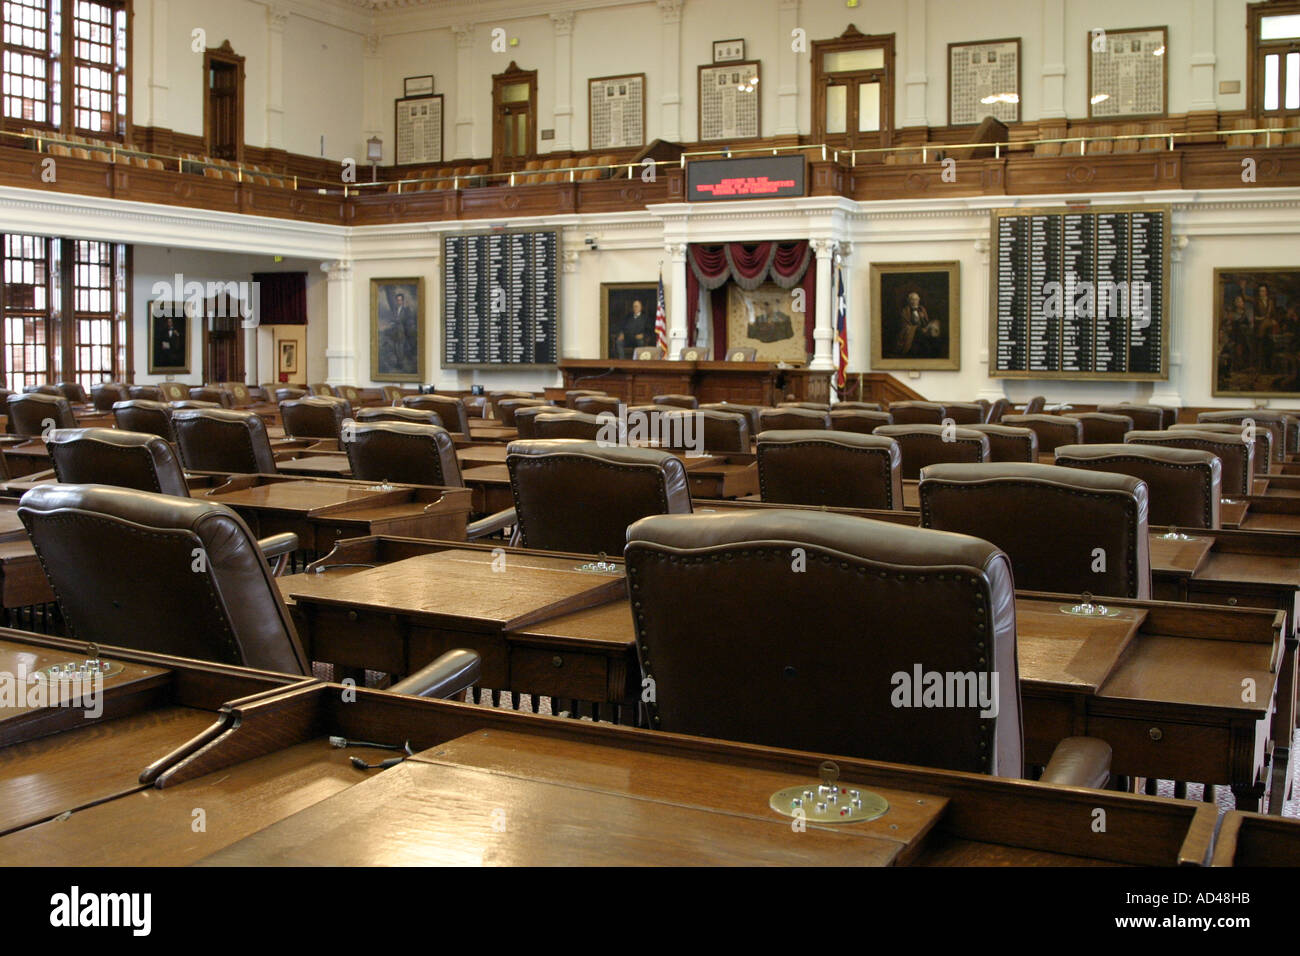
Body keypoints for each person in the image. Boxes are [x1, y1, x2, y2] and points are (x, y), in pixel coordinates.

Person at [895, 291, 943, 359]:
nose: (914, 301)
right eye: (912, 299)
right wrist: (917, 329)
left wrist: (923, 317)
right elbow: (905, 326)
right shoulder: (905, 311)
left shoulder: (922, 309)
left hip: (924, 330)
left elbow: (926, 322)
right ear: (909, 301)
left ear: (919, 300)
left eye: (916, 299)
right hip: (913, 333)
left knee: (934, 332)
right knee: (923, 339)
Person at [380, 290, 418, 375]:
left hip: (402, 331)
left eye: (400, 300)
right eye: (397, 300)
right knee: (395, 347)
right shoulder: (395, 310)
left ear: (403, 301)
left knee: (400, 347)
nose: (399, 302)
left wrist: (400, 323)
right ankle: (398, 362)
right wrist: (391, 323)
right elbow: (393, 319)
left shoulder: (406, 310)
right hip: (395, 331)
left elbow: (408, 320)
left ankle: (400, 363)